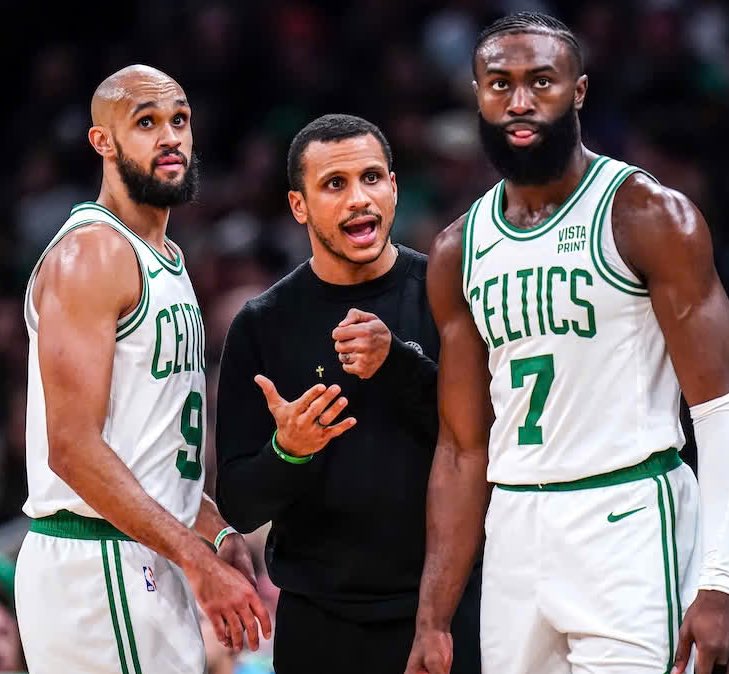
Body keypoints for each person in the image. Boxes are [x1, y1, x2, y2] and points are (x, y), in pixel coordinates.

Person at [406, 11, 729, 674]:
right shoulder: (457, 249)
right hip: (514, 527)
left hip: (627, 515)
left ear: (577, 91)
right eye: (500, 84)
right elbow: (462, 448)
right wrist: (432, 618)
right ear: (477, 94)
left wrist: (720, 579)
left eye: (541, 81)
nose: (519, 101)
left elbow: (719, 408)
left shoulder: (645, 214)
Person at [14, 64, 271, 674]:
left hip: (144, 555)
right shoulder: (92, 253)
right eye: (146, 122)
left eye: (179, 120)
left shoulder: (165, 257)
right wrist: (196, 558)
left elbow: (150, 450)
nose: (170, 137)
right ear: (102, 142)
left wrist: (213, 530)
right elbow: (72, 448)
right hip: (99, 561)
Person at [215, 113, 481, 674]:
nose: (359, 198)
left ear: (395, 187)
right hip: (319, 624)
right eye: (335, 184)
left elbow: (485, 442)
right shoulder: (262, 325)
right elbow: (239, 503)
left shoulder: (448, 294)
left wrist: (398, 365)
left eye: (372, 178)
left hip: (444, 610)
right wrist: (289, 450)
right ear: (299, 206)